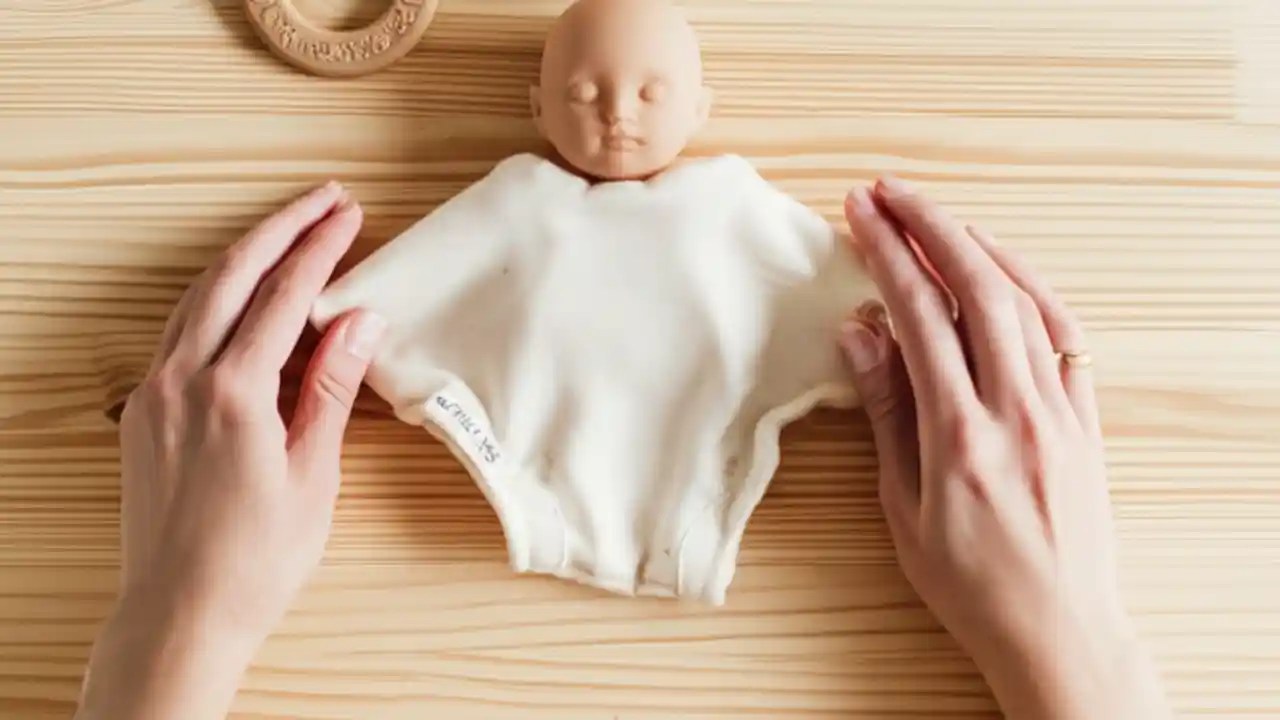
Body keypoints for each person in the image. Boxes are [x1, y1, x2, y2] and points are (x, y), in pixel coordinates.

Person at [73, 177, 1172, 720]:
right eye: (587, 88)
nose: (614, 108)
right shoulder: (508, 202)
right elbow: (384, 301)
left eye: (648, 87)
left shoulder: (742, 213)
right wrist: (1079, 649)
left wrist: (169, 634)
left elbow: (843, 297)